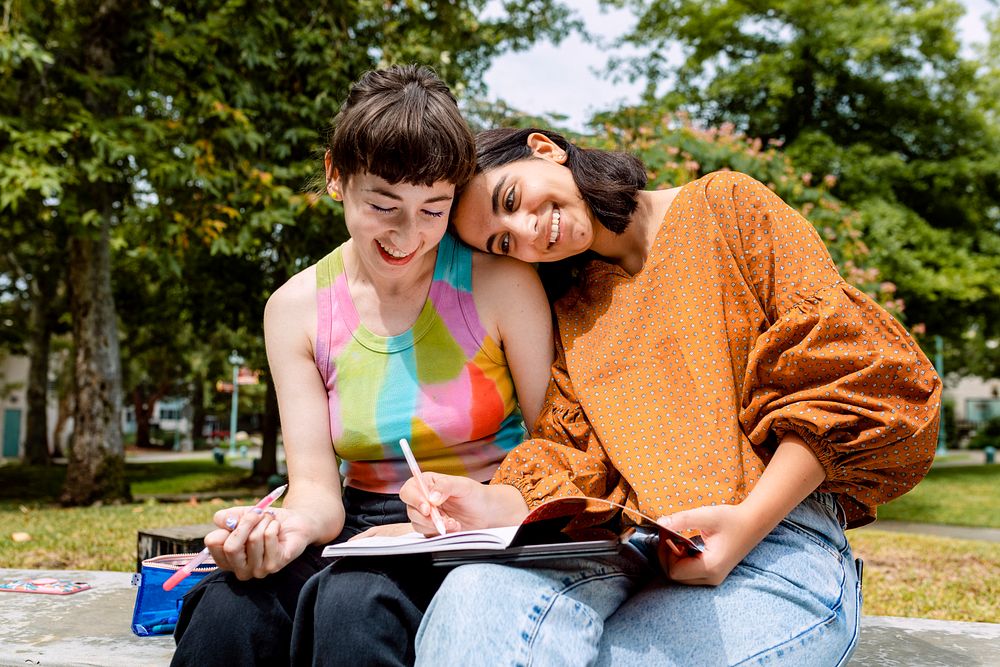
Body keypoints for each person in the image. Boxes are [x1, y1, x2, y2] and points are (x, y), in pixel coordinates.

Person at [401, 127, 941, 666]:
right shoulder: (569, 305)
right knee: (472, 598)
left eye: (511, 199)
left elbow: (846, 376)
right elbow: (572, 455)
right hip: (627, 549)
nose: (527, 232)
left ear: (546, 150)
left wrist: (747, 523)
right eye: (503, 242)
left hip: (776, 540)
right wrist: (486, 503)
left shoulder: (727, 206)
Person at [170, 70, 553, 667]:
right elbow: (317, 493)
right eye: (382, 205)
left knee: (356, 605)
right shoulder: (295, 309)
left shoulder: (500, 284)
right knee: (229, 610)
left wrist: (488, 507)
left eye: (434, 210)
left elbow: (558, 447)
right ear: (335, 176)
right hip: (361, 525)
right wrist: (285, 532)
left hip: (482, 518)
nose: (408, 235)